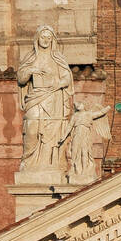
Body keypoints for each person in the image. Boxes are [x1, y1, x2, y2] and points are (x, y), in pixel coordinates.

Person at [16, 26, 75, 173]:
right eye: (43, 37)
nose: (46, 40)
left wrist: (58, 84)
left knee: (52, 132)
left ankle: (50, 164)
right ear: (37, 38)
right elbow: (21, 79)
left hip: (54, 98)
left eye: (49, 38)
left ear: (53, 40)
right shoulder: (30, 58)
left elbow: (67, 77)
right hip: (35, 97)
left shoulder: (58, 58)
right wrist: (30, 70)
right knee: (32, 125)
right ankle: (28, 161)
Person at [67, 101, 111, 185]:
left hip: (85, 135)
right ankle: (75, 169)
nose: (78, 105)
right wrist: (63, 136)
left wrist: (107, 108)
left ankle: (84, 171)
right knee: (74, 152)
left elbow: (100, 113)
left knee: (84, 152)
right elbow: (69, 126)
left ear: (84, 105)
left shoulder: (88, 114)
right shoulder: (75, 116)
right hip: (76, 135)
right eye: (76, 105)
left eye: (79, 104)